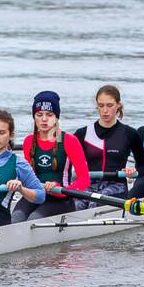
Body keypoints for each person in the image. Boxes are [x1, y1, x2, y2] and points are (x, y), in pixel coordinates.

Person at [14, 90, 91, 222]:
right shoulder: (29, 141)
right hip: (35, 196)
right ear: (34, 117)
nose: (44, 119)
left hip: (61, 199)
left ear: (56, 117)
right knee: (16, 216)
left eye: (49, 115)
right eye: (39, 114)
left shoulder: (69, 140)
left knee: (34, 219)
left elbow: (84, 179)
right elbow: (28, 177)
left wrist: (58, 188)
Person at [73, 84, 140, 205]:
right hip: (89, 183)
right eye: (101, 105)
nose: (105, 110)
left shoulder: (130, 133)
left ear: (118, 105)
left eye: (109, 105)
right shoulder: (82, 134)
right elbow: (65, 165)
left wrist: (133, 170)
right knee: (77, 205)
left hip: (117, 185)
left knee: (94, 203)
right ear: (97, 106)